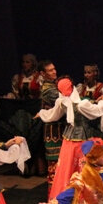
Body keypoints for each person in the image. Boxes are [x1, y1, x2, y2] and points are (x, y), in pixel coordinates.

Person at [36, 76, 103, 204]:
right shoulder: (81, 104)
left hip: (68, 139)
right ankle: (83, 201)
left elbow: (53, 115)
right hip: (81, 140)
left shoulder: (62, 101)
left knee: (67, 168)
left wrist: (42, 114)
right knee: (82, 169)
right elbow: (98, 111)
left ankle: (64, 201)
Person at [39, 60, 61, 188]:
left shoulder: (53, 85)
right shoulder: (48, 90)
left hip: (59, 129)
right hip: (53, 132)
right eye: (50, 70)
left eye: (54, 69)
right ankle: (54, 196)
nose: (54, 72)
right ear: (43, 73)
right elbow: (64, 99)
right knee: (54, 166)